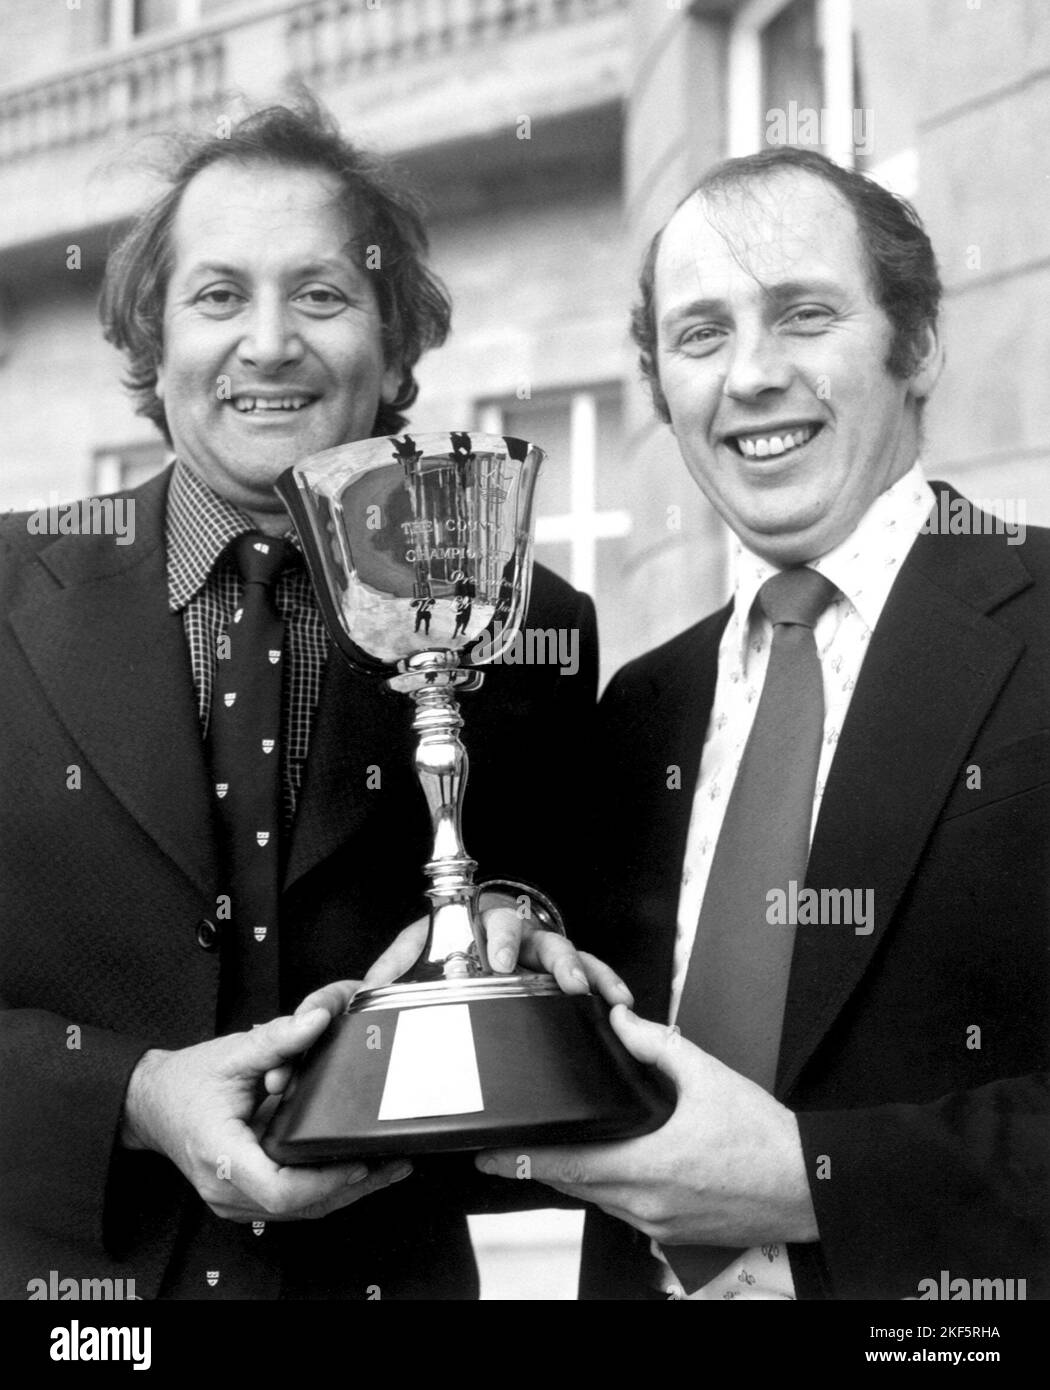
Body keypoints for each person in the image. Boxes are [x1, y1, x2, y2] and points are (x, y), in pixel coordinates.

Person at [0, 100, 613, 1301]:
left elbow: (554, 939)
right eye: (219, 296)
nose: (268, 343)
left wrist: (520, 919)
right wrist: (128, 1095)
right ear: (152, 339)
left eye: (322, 296)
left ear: (393, 349)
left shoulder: (524, 617)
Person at [477, 146, 1050, 1300]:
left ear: (918, 343)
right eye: (700, 335)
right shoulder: (639, 712)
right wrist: (508, 943)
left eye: (803, 314)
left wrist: (813, 1175)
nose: (751, 375)